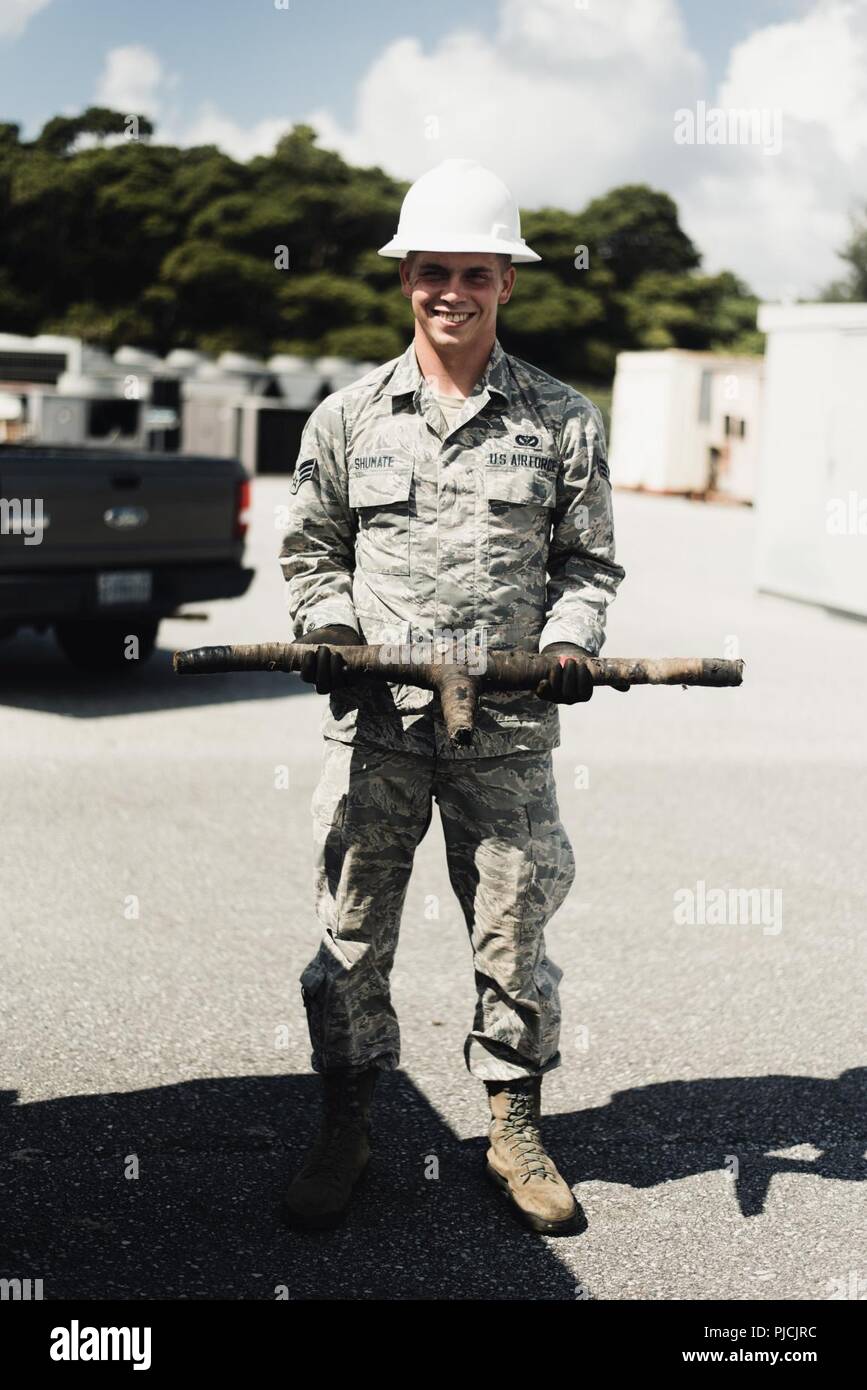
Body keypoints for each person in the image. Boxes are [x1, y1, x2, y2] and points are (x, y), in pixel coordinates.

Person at [278, 158, 626, 1234]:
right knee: (350, 936)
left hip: (509, 730)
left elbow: (588, 565)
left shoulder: (562, 421)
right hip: (379, 727)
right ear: (404, 278)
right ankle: (347, 1122)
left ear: (506, 285)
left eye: (474, 273)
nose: (452, 293)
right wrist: (330, 628)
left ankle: (513, 1125)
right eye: (433, 271)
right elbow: (311, 549)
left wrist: (570, 641)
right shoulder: (345, 418)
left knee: (514, 936)